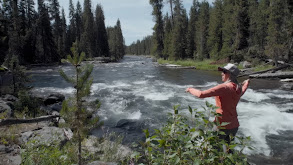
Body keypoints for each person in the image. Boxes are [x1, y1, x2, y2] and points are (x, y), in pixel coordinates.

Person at [186, 63, 250, 146]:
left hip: (221, 125)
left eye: (224, 71)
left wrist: (190, 89)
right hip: (234, 125)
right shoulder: (238, 88)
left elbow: (201, 94)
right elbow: (243, 89)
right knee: (228, 150)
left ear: (229, 74)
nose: (221, 73)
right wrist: (247, 82)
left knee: (213, 150)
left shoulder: (224, 87)